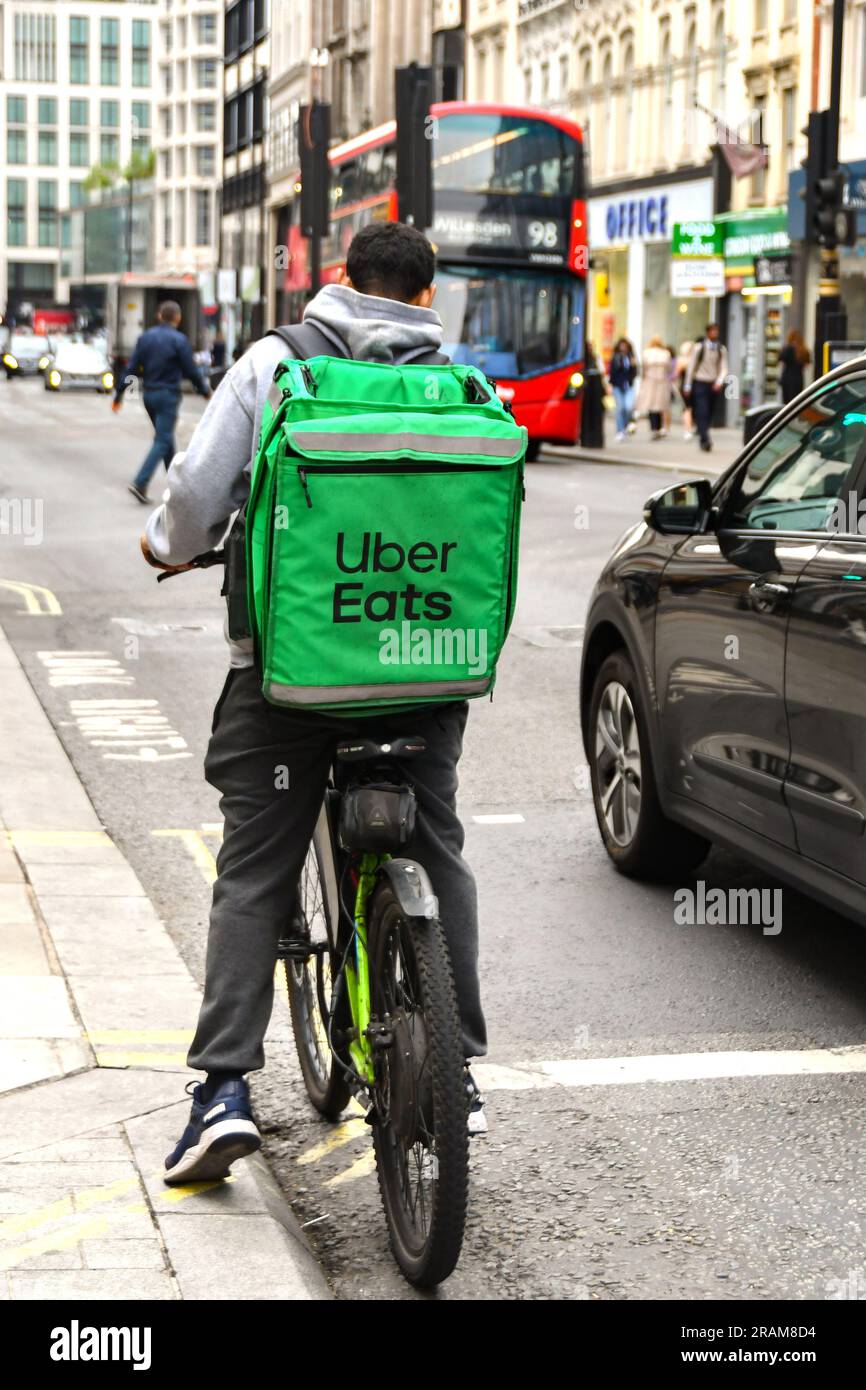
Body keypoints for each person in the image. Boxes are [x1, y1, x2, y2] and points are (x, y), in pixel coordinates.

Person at [139, 222, 489, 1184]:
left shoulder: (275, 365)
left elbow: (196, 502)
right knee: (438, 841)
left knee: (255, 868)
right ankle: (456, 1063)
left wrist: (167, 547)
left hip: (291, 680)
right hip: (424, 673)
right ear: (427, 296)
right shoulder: (461, 387)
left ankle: (221, 1095)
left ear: (341, 282)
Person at [113, 301, 212, 504]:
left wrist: (118, 396)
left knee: (165, 438)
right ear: (177, 318)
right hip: (168, 395)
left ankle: (177, 487)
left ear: (159, 316)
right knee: (162, 439)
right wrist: (204, 391)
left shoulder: (145, 338)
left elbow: (131, 368)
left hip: (149, 396)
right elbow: (191, 370)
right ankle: (140, 482)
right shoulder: (179, 340)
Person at [684, 323, 728, 452]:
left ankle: (703, 432)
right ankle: (705, 439)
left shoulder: (721, 349)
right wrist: (687, 385)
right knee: (702, 411)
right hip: (700, 383)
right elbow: (691, 367)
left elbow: (724, 368)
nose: (715, 333)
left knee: (710, 412)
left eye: (717, 331)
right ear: (708, 333)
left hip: (713, 384)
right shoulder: (699, 348)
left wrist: (719, 382)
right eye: (713, 331)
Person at [636, 335, 672, 439]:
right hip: (661, 381)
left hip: (650, 381)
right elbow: (669, 368)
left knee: (652, 405)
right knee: (659, 406)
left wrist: (643, 379)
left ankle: (654, 428)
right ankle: (659, 427)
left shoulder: (647, 353)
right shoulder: (665, 353)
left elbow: (643, 368)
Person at [607, 337, 638, 442]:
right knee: (620, 408)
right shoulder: (615, 357)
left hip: (628, 386)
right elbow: (612, 372)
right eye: (622, 345)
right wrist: (610, 385)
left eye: (625, 346)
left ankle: (625, 426)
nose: (623, 348)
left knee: (628, 407)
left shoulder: (631, 357)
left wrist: (634, 366)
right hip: (618, 386)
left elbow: (635, 373)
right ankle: (620, 430)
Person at [778, 329, 811, 403]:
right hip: (798, 378)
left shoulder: (786, 349)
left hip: (787, 378)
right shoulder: (804, 350)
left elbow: (781, 363)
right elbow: (807, 365)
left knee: (787, 403)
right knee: (797, 401)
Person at [675, 340, 695, 439]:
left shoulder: (682, 361)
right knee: (692, 408)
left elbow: (676, 374)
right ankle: (691, 428)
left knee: (687, 409)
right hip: (695, 386)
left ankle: (687, 430)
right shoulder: (696, 361)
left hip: (685, 387)